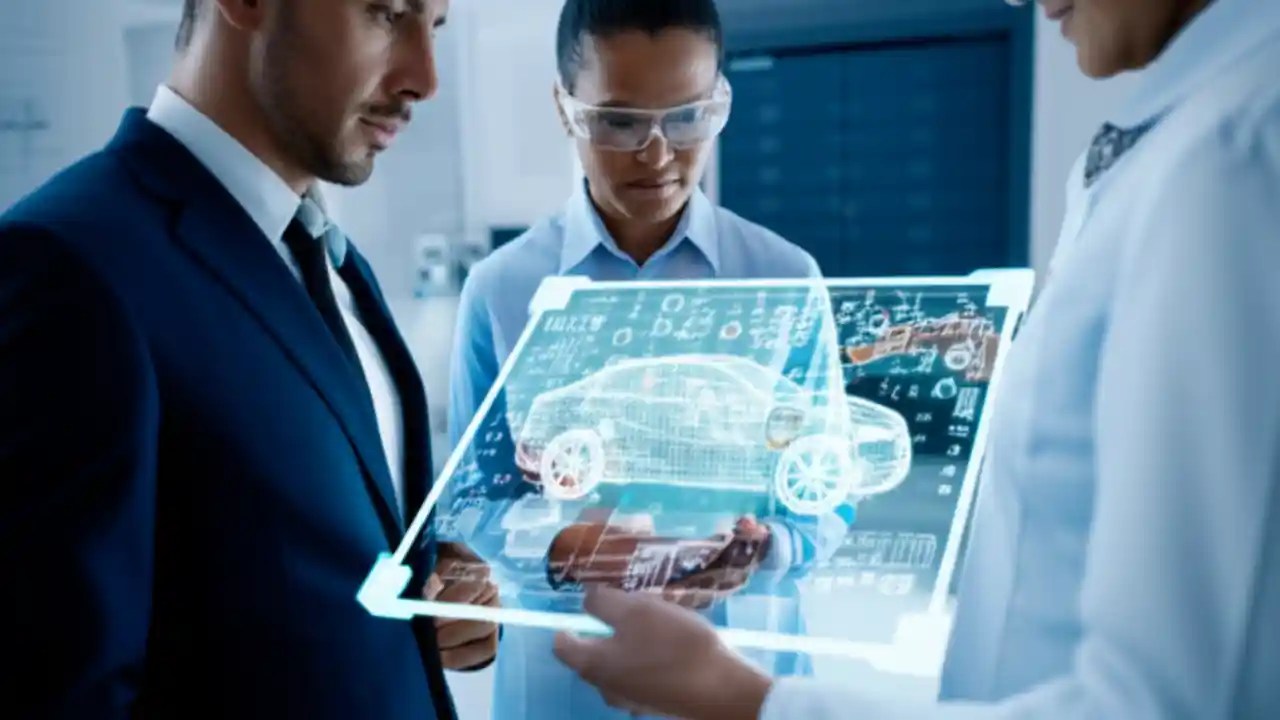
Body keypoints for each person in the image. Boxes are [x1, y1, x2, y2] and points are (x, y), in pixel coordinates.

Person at [554, 0, 1280, 717]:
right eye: (620, 120)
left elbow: (1167, 701)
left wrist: (746, 698)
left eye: (686, 116)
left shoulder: (1235, 158)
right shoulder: (1171, 145)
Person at [0, 0, 499, 717]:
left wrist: (449, 609)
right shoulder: (67, 266)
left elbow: (320, 566)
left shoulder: (333, 260)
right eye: (389, 15)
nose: (425, 76)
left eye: (436, 29)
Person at [445, 1, 856, 718]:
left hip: (739, 672)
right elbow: (469, 499)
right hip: (564, 686)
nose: (659, 155)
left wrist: (767, 549)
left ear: (720, 100)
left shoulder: (785, 277)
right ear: (564, 109)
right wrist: (569, 547)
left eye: (688, 117)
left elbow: (828, 493)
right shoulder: (503, 289)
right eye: (620, 122)